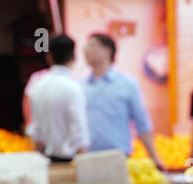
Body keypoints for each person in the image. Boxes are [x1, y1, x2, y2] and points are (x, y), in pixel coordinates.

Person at [82, 33, 162, 164]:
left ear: (107, 51)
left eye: (92, 45)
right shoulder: (80, 86)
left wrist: (154, 157)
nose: (85, 50)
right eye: (86, 46)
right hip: (87, 158)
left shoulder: (127, 84)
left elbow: (142, 123)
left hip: (118, 158)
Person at [27, 35, 88, 163]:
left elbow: (35, 129)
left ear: (49, 57)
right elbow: (79, 132)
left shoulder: (37, 85)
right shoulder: (73, 88)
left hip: (44, 158)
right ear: (74, 57)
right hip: (69, 161)